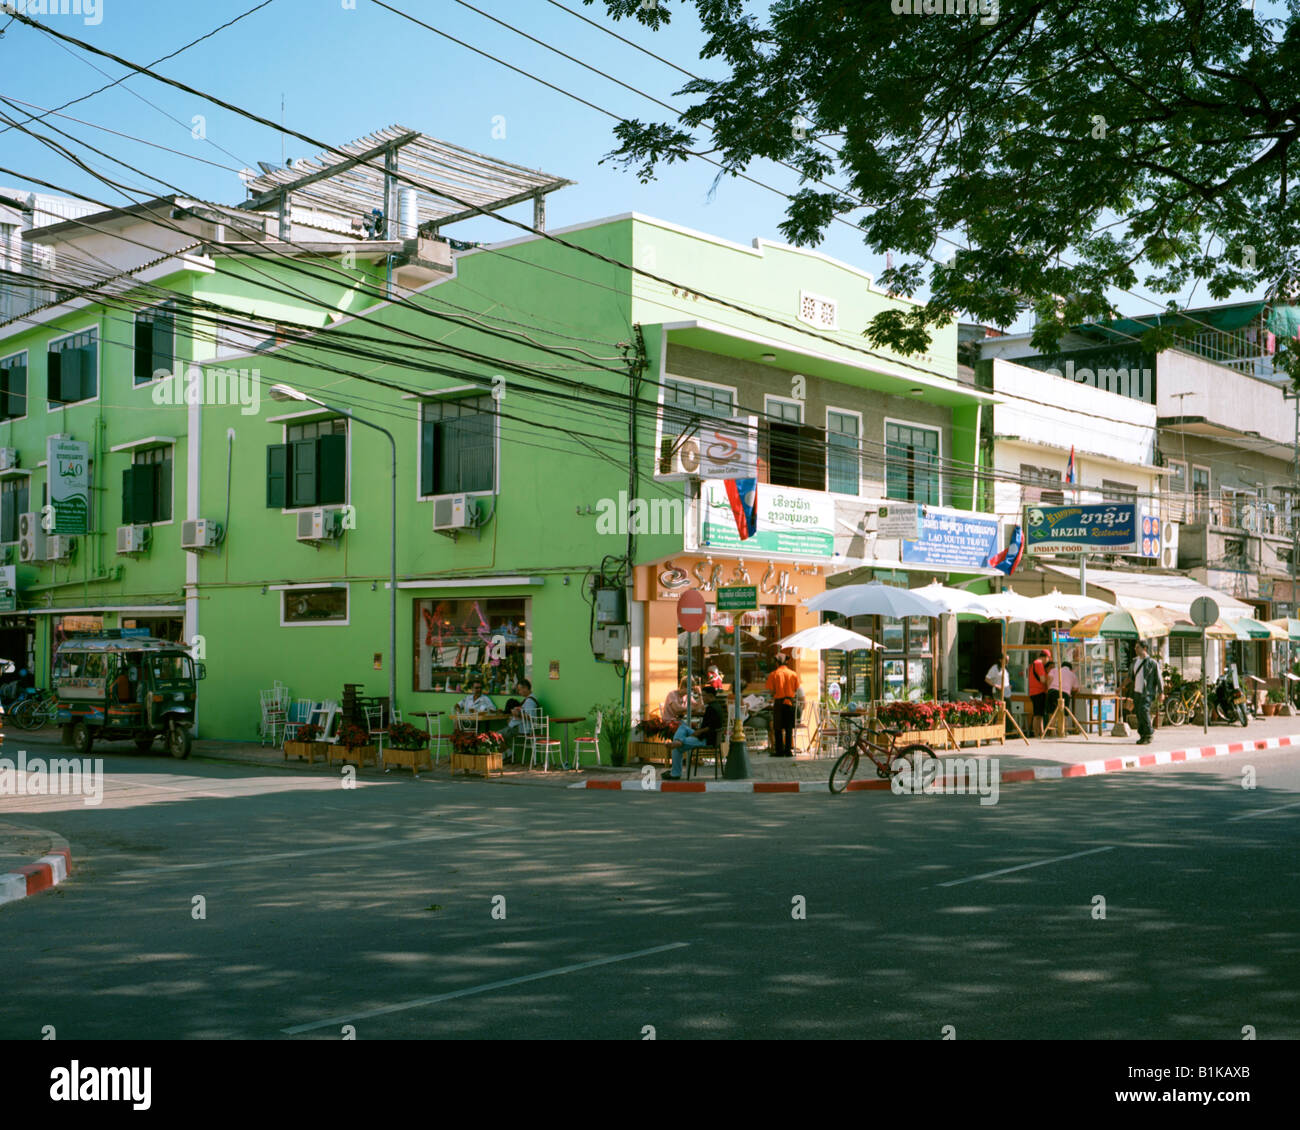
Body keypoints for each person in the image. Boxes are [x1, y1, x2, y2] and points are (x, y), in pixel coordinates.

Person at [667, 686, 726, 780]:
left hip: (706, 739)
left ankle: (675, 774)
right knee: (683, 726)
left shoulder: (712, 709)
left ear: (710, 696)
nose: (702, 698)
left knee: (676, 749)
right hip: (705, 735)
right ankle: (679, 740)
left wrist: (697, 732)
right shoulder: (716, 705)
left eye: (704, 695)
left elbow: (709, 728)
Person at [765, 653, 800, 757]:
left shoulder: (773, 674)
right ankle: (788, 751)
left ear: (777, 663)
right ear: (787, 662)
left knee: (778, 727)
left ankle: (779, 751)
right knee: (789, 728)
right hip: (790, 702)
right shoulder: (793, 674)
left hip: (779, 703)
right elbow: (796, 688)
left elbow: (771, 691)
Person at [1129, 640, 1162, 745]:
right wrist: (1120, 687)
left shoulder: (1152, 663)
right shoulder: (1135, 661)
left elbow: (1159, 678)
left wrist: (1161, 692)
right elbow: (1130, 677)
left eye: (1137, 647)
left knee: (1144, 711)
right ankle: (1142, 735)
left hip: (1147, 692)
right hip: (1137, 692)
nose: (1135, 649)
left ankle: (1149, 733)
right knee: (1139, 714)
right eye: (1135, 647)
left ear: (1144, 649)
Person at [504, 678, 541, 758]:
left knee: (496, 736)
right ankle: (508, 754)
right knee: (497, 735)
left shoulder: (530, 701)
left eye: (520, 690)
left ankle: (508, 755)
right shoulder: (527, 699)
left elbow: (530, 717)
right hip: (517, 726)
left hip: (520, 728)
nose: (519, 692)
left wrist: (518, 714)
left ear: (526, 688)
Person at [1027, 648, 1052, 735]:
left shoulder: (1033, 664)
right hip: (1039, 691)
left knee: (1039, 714)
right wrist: (1050, 679)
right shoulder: (1039, 664)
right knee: (1037, 715)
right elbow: (1043, 679)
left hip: (1033, 691)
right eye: (1048, 658)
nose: (1048, 661)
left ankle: (1040, 733)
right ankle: (1037, 734)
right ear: (1046, 657)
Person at [1046, 660, 1078, 726]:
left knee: (1051, 713)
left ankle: (1052, 732)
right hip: (1065, 694)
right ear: (1070, 669)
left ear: (1061, 666)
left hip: (1052, 692)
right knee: (1064, 714)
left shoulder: (1054, 670)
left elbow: (1049, 679)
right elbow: (1076, 688)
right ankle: (1064, 731)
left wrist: (1049, 689)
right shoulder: (1072, 675)